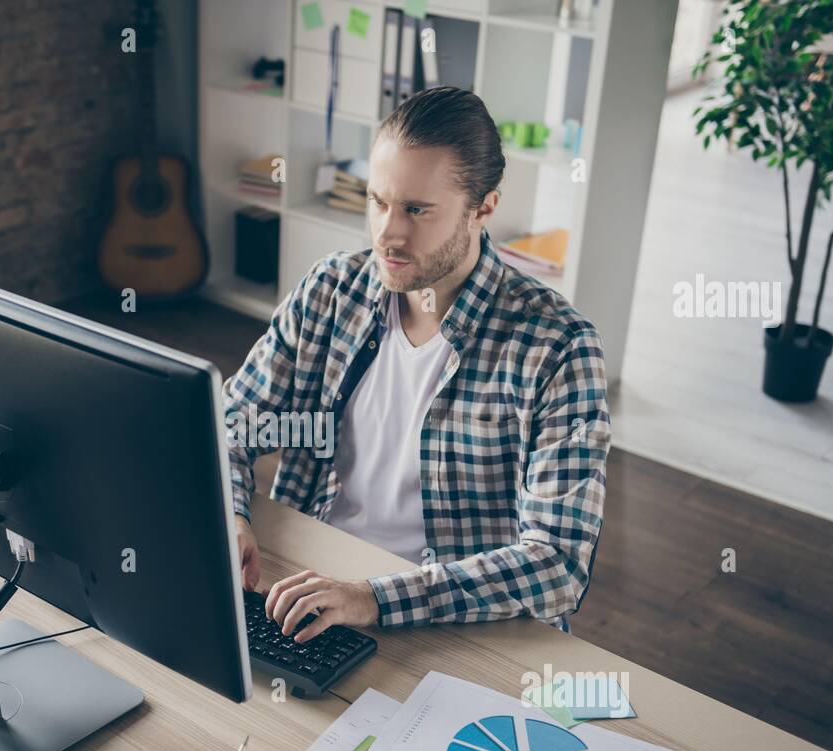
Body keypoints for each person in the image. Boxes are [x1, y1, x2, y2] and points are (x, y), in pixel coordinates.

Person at [223, 87, 609, 644]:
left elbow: (557, 565)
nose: (387, 233)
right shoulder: (331, 290)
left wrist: (374, 598)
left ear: (485, 207)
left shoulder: (559, 349)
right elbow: (232, 424)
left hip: (457, 620)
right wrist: (234, 517)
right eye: (378, 201)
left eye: (416, 210)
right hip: (313, 583)